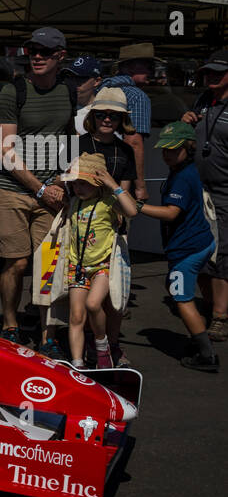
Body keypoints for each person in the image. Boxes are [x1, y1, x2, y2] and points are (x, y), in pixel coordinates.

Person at [0, 26, 72, 355]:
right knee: (17, 263)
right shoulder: (13, 91)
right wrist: (41, 190)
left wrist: (63, 180)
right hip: (12, 189)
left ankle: (47, 333)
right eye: (32, 50)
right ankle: (10, 323)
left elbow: (69, 140)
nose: (36, 56)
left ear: (60, 56)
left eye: (45, 52)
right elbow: (4, 152)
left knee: (48, 263)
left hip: (51, 190)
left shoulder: (68, 90)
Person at [131, 122, 218, 370]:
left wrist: (136, 206)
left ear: (188, 147)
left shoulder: (182, 177)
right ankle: (199, 334)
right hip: (199, 243)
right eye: (164, 150)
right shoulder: (184, 170)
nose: (167, 154)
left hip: (187, 249)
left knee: (182, 299)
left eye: (174, 149)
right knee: (176, 287)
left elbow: (171, 213)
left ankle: (206, 354)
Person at [51, 154, 136, 369]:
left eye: (84, 183)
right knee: (76, 317)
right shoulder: (74, 201)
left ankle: (102, 346)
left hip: (102, 266)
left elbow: (132, 210)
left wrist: (112, 183)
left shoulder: (108, 202)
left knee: (93, 304)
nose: (78, 188)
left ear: (98, 184)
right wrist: (73, 172)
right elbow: (57, 181)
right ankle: (77, 363)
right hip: (77, 267)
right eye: (75, 183)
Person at [76, 87, 139, 364]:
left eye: (113, 116)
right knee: (78, 296)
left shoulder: (125, 149)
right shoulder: (77, 145)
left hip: (112, 229)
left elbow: (124, 193)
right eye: (101, 114)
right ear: (93, 115)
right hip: (80, 226)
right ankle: (88, 343)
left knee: (113, 297)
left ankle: (111, 345)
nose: (107, 120)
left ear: (121, 120)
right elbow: (65, 183)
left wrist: (116, 209)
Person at [181, 49, 228, 342]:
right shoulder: (202, 101)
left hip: (225, 190)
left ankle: (220, 317)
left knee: (221, 253)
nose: (210, 76)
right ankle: (212, 306)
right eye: (207, 72)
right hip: (199, 188)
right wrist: (184, 124)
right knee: (199, 250)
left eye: (218, 72)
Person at [99, 42, 154, 201]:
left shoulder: (99, 87)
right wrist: (140, 187)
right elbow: (133, 142)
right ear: (129, 67)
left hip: (88, 171)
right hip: (115, 177)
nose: (151, 71)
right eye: (147, 66)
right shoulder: (137, 96)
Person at [63, 55, 104, 132]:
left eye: (80, 78)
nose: (73, 82)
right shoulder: (59, 107)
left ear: (97, 81)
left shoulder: (106, 115)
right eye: (70, 77)